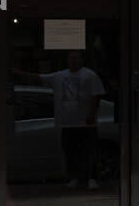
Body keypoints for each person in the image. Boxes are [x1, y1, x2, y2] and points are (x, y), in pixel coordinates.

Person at [13, 50, 104, 189]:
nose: (74, 60)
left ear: (81, 60)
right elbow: (39, 77)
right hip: (67, 122)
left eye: (77, 58)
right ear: (67, 60)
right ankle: (75, 177)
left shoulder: (90, 75)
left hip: (85, 123)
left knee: (89, 151)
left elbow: (97, 95)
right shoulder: (60, 75)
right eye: (72, 58)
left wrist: (91, 114)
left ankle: (92, 178)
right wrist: (18, 73)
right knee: (70, 152)